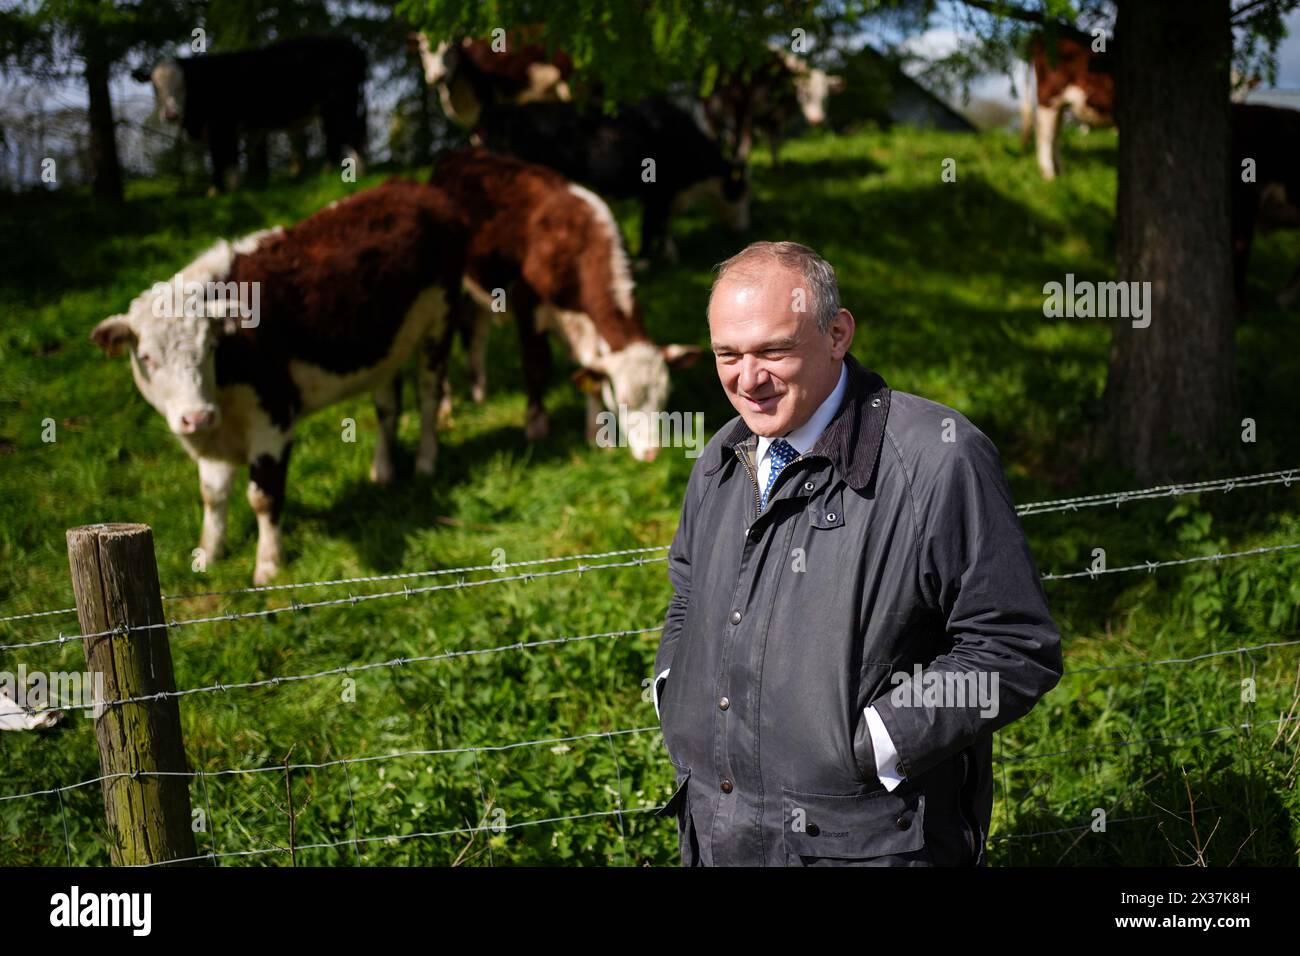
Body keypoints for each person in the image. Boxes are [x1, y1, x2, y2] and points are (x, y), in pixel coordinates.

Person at [652, 240, 1063, 866]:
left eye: (774, 351)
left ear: (838, 333)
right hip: (721, 834)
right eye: (727, 355)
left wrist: (877, 741)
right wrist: (674, 693)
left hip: (867, 845)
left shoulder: (939, 459)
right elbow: (687, 591)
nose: (747, 379)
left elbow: (1014, 647)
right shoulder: (721, 459)